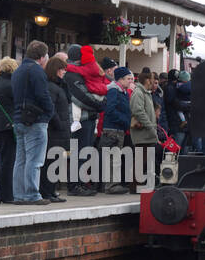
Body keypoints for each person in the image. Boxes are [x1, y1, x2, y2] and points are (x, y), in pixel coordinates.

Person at [11, 39, 54, 205]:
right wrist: (49, 112)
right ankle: (32, 195)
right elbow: (43, 95)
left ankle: (19, 195)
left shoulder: (18, 70)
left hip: (19, 118)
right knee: (35, 161)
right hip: (35, 120)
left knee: (20, 160)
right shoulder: (36, 71)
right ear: (42, 57)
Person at [62, 45, 105, 196]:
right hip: (81, 118)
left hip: (86, 117)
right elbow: (80, 96)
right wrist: (99, 104)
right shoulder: (72, 75)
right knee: (79, 151)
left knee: (84, 152)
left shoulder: (76, 73)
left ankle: (80, 182)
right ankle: (74, 185)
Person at [40, 58, 72, 203]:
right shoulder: (52, 87)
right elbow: (51, 108)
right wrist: (59, 124)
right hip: (55, 131)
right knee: (51, 162)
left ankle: (51, 190)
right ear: (55, 70)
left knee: (56, 162)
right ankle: (47, 191)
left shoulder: (58, 86)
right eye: (62, 69)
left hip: (61, 130)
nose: (64, 72)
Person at [100, 66, 134, 194]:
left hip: (119, 129)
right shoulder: (114, 91)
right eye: (128, 79)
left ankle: (112, 184)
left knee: (115, 158)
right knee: (113, 158)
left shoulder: (122, 91)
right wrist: (125, 121)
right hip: (113, 129)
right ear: (120, 79)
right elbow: (110, 110)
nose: (130, 82)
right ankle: (111, 185)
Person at [0, 57, 18, 204]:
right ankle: (6, 195)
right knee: (8, 161)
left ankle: (1, 194)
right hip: (8, 126)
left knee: (4, 159)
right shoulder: (12, 84)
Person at [129, 69, 159, 191]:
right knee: (140, 161)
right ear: (147, 80)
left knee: (144, 161)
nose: (153, 82)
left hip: (146, 133)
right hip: (143, 134)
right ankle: (135, 186)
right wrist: (151, 126)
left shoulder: (145, 93)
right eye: (152, 80)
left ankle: (139, 185)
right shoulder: (139, 93)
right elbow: (138, 111)